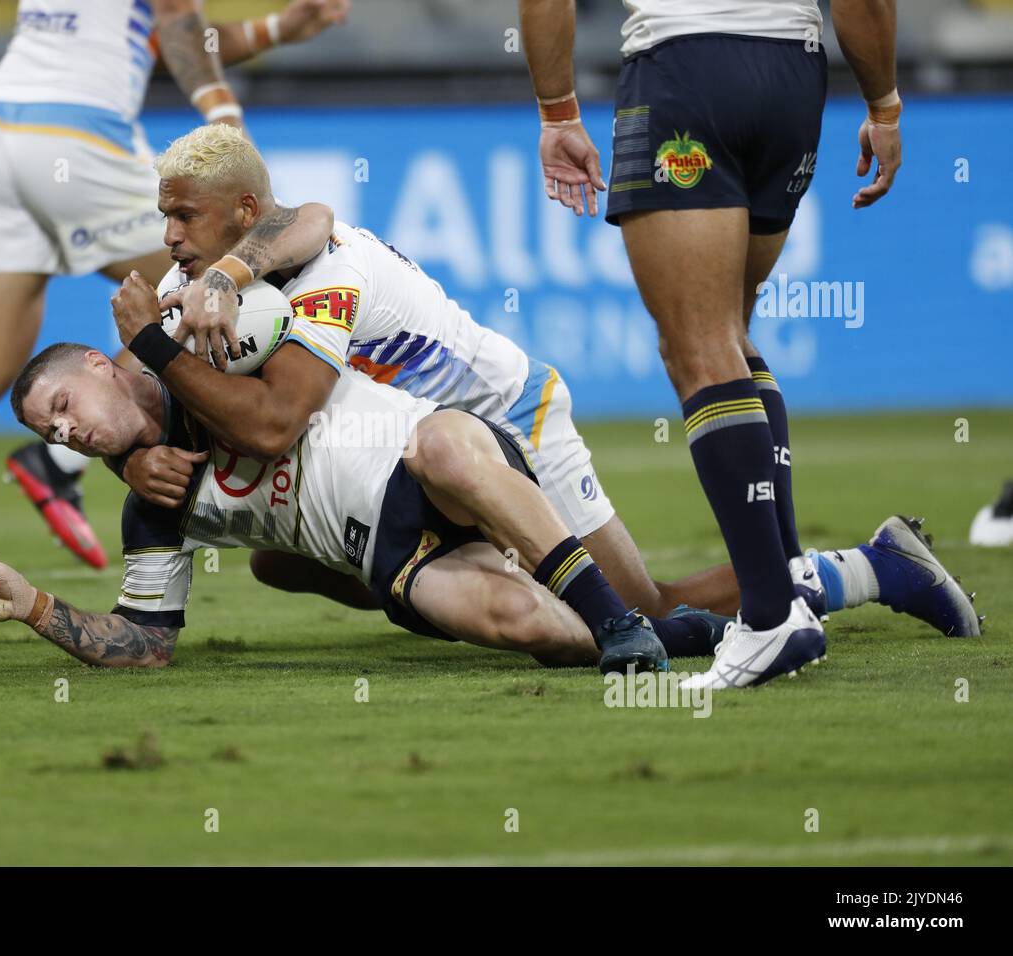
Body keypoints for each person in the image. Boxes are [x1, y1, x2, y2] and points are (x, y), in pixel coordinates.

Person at [110, 125, 978, 662]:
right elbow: (303, 227)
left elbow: (274, 423)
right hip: (433, 450)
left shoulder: (323, 271)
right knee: (277, 560)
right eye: (165, 215)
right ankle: (464, 592)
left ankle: (873, 569)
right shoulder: (263, 263)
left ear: (244, 211)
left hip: (512, 416)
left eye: (184, 216)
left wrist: (198, 297)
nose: (169, 234)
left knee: (642, 606)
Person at [517, 0, 906, 687]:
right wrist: (885, 105)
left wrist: (557, 113)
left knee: (696, 348)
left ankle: (768, 617)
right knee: (728, 330)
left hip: (684, 67)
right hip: (793, 76)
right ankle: (787, 586)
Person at [0, 335, 721, 672]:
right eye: (51, 429)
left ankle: (621, 619)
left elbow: (301, 235)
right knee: (522, 626)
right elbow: (145, 643)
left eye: (64, 403)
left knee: (447, 451)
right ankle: (677, 638)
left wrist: (154, 334)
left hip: (419, 450)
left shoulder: (212, 346)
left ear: (98, 364)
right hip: (389, 554)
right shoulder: (154, 503)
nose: (66, 429)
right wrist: (35, 605)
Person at [0, 0, 349, 567]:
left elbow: (169, 42)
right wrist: (224, 117)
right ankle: (61, 462)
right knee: (221, 279)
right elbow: (178, 20)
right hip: (75, 131)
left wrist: (280, 28)